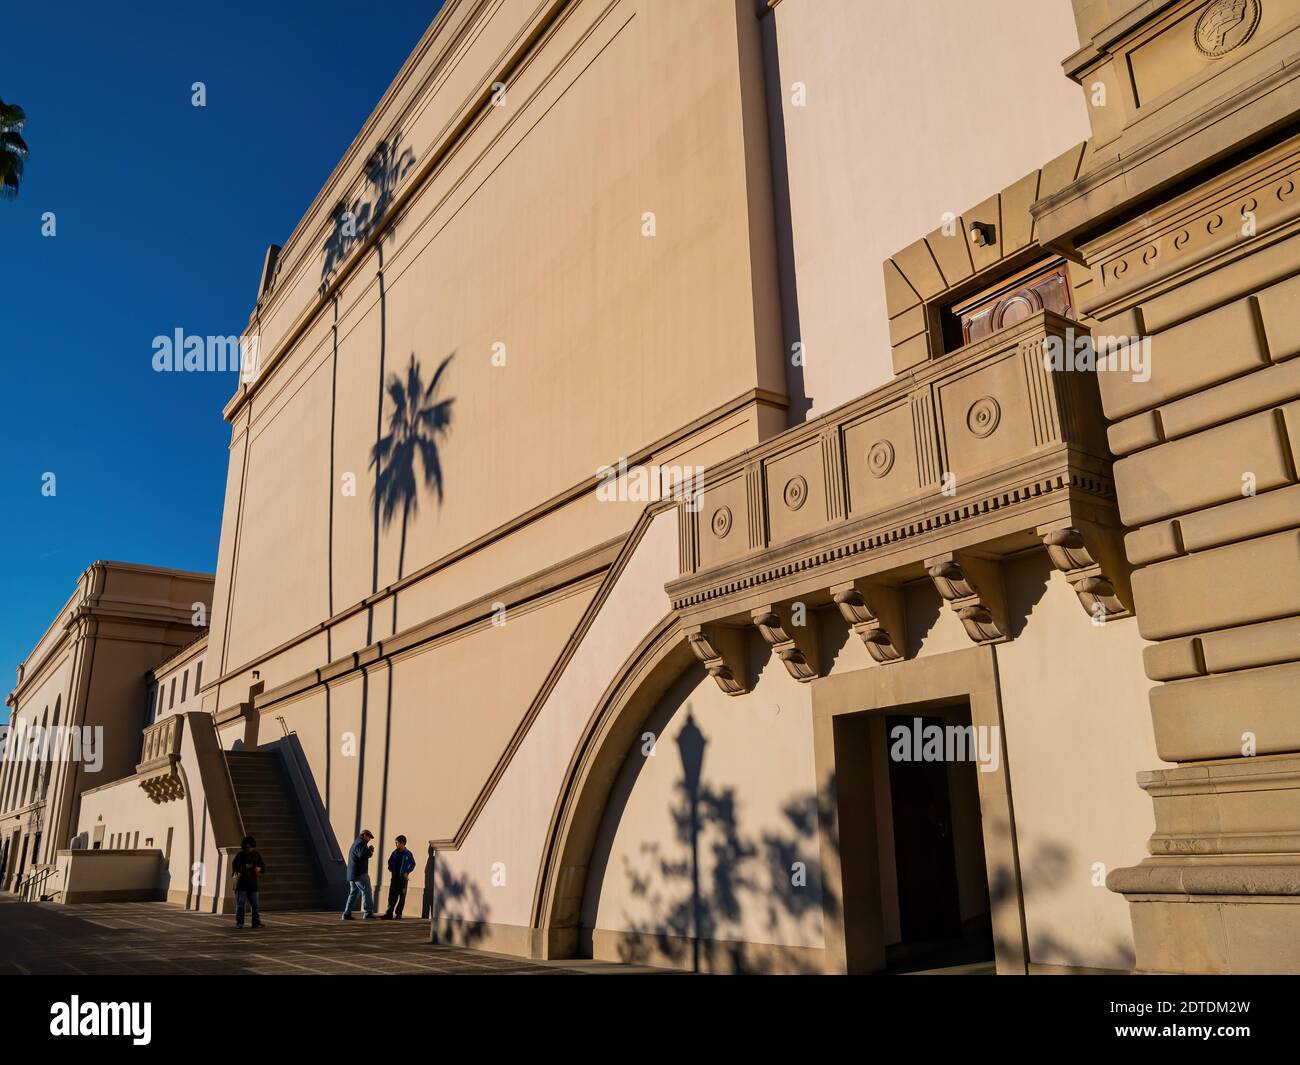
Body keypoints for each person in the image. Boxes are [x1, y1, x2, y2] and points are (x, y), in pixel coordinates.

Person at [232, 835, 265, 929]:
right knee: (240, 904)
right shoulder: (240, 855)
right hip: (241, 883)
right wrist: (243, 868)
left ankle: (256, 922)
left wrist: (259, 868)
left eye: (250, 847)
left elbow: (262, 866)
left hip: (252, 883)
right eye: (246, 847)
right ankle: (239, 923)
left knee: (255, 905)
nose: (248, 849)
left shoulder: (256, 855)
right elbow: (235, 867)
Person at [342, 828, 376, 919]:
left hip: (352, 874)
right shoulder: (360, 843)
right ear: (364, 835)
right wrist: (370, 851)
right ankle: (368, 912)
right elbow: (362, 855)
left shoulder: (356, 843)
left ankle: (346, 914)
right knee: (367, 891)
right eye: (368, 836)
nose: (369, 839)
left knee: (353, 893)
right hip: (359, 873)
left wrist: (368, 851)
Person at [382, 835, 416, 919]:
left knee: (402, 897)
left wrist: (407, 872)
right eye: (395, 843)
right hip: (394, 878)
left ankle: (398, 913)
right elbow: (389, 862)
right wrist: (391, 869)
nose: (396, 845)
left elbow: (412, 864)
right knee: (392, 896)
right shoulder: (394, 853)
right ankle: (389, 913)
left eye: (397, 843)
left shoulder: (408, 854)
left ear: (402, 843)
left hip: (403, 879)